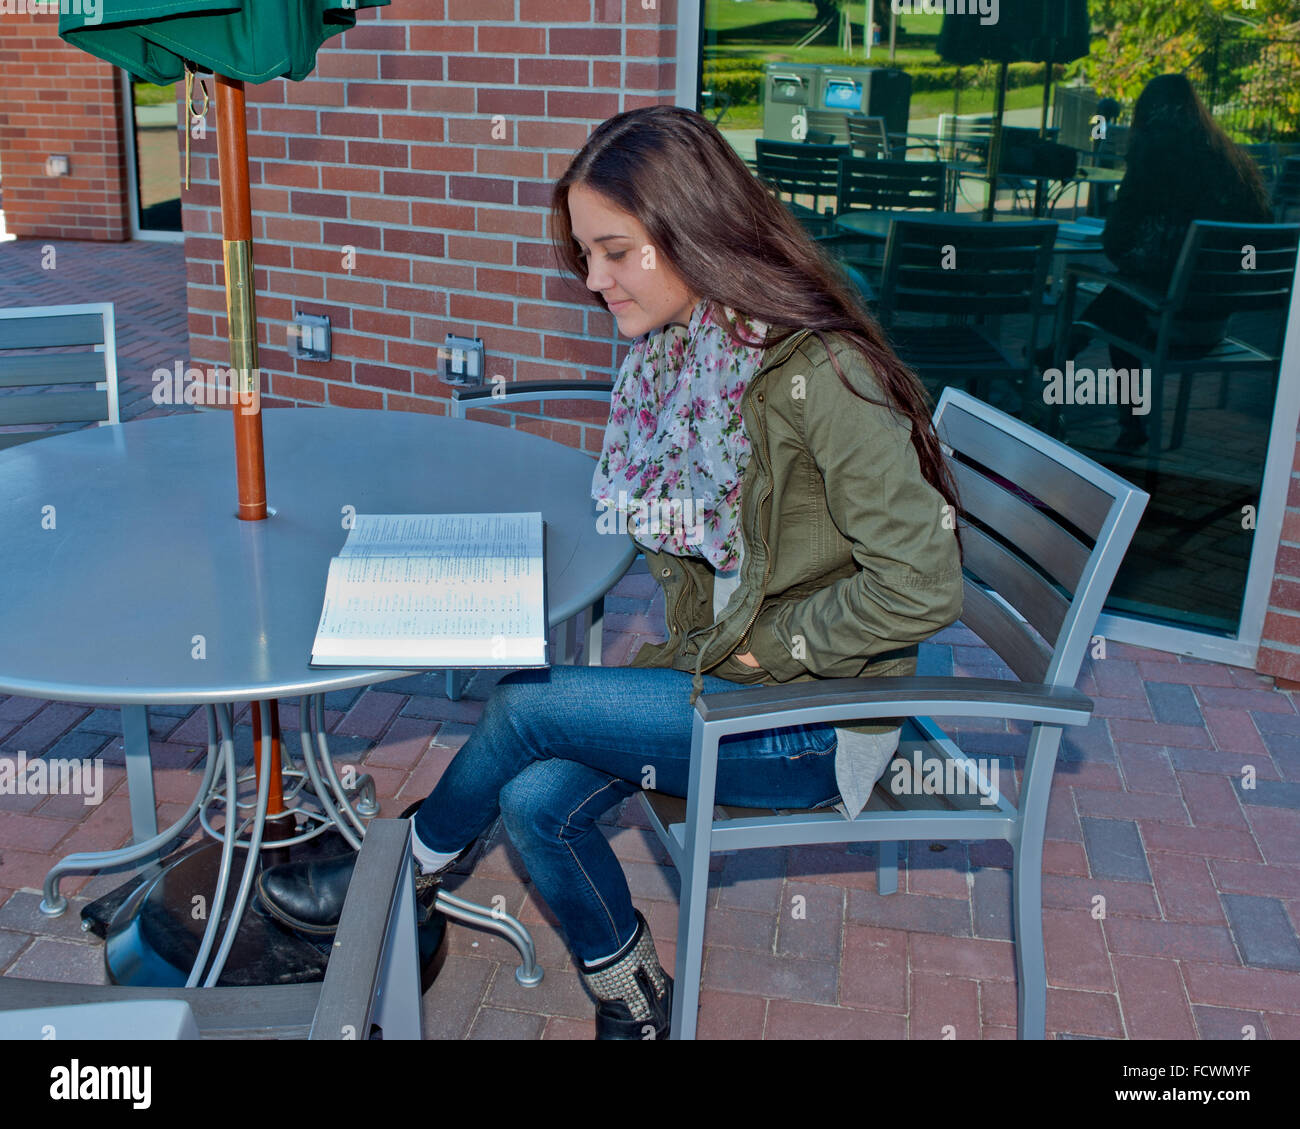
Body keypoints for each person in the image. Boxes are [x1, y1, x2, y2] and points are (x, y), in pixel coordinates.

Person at [256, 106, 966, 1039]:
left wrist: (768, 651)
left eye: (614, 251)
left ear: (692, 230)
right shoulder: (690, 353)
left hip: (807, 719)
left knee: (523, 705)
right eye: (587, 255)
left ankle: (398, 869)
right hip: (715, 670)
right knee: (531, 796)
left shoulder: (821, 373)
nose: (594, 281)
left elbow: (923, 584)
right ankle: (633, 1001)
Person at [1047, 73, 1273, 450]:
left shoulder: (1154, 156)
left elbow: (1116, 245)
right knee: (1134, 290)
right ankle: (1067, 347)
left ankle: (1119, 410)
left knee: (1126, 299)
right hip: (1219, 321)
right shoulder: (1231, 161)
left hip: (1175, 323)